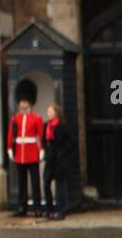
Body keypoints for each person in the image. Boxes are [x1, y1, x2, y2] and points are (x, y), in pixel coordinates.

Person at [7, 81, 44, 217]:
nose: (22, 104)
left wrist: (41, 150)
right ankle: (22, 207)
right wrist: (10, 148)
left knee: (35, 183)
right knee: (22, 184)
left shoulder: (37, 118)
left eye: (24, 101)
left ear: (29, 102)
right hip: (19, 154)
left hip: (32, 153)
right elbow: (11, 134)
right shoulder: (15, 119)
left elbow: (40, 136)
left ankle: (37, 208)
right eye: (21, 101)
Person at [42, 102, 75, 220]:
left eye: (51, 112)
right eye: (48, 112)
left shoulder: (62, 126)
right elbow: (43, 141)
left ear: (56, 113)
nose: (48, 114)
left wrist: (63, 153)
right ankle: (49, 209)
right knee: (46, 183)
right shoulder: (46, 126)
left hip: (60, 159)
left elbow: (71, 142)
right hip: (50, 158)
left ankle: (61, 211)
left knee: (60, 186)